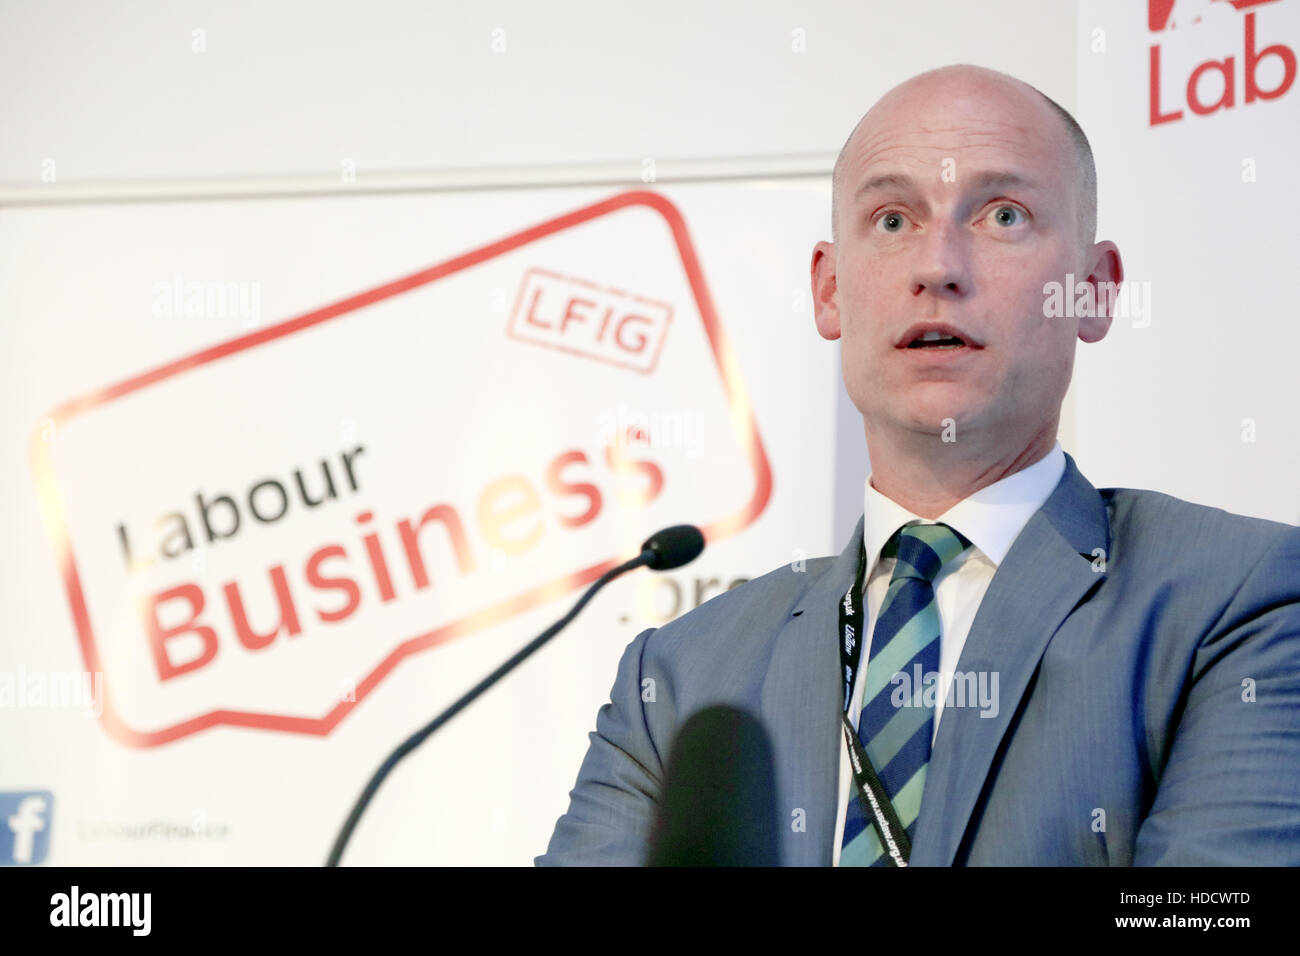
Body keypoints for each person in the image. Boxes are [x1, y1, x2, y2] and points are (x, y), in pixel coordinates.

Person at [535, 64, 1300, 866]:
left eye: (1004, 215)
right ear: (830, 291)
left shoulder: (1243, 601)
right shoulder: (682, 677)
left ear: (1095, 290)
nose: (938, 266)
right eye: (893, 220)